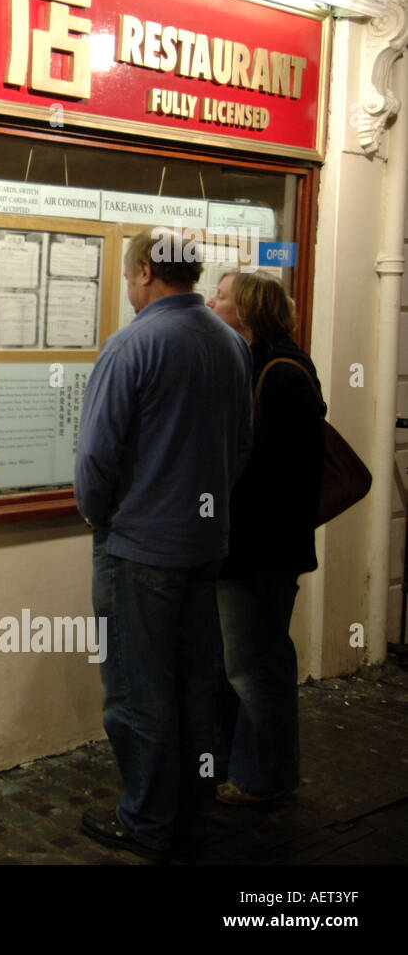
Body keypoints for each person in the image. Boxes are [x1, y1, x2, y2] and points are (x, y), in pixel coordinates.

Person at [74, 227, 254, 861]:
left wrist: (103, 519)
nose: (127, 289)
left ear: (148, 271)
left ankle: (147, 821)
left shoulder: (133, 345)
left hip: (139, 548)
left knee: (135, 691)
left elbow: (97, 456)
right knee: (193, 686)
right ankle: (192, 813)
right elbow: (240, 448)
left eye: (127, 278)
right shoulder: (231, 344)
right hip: (204, 546)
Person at [211, 272, 324, 806]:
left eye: (223, 297)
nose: (211, 301)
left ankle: (264, 779)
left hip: (260, 552)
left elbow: (276, 476)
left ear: (248, 311)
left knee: (254, 666)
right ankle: (256, 767)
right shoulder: (273, 363)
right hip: (260, 548)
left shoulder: (278, 373)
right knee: (254, 660)